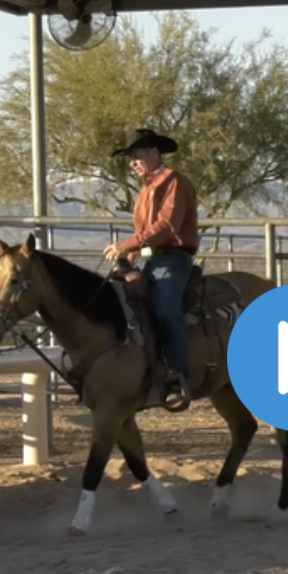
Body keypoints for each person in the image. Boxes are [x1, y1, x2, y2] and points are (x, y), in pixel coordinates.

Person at [104, 128, 199, 412]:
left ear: (154, 153)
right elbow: (145, 233)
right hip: (152, 258)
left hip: (173, 259)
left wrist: (126, 245)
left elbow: (167, 226)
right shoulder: (145, 191)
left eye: (136, 156)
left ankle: (178, 376)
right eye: (130, 158)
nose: (133, 162)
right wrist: (128, 257)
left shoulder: (175, 183)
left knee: (166, 309)